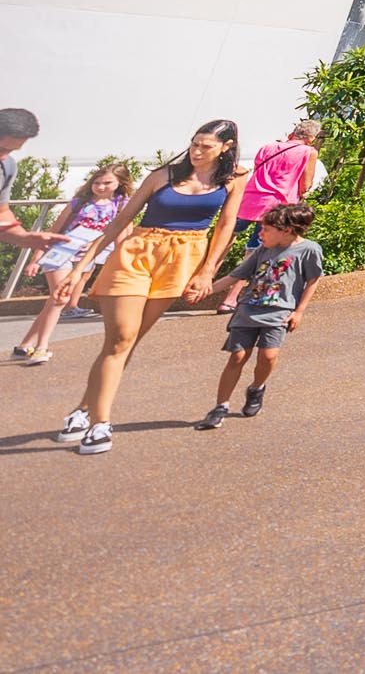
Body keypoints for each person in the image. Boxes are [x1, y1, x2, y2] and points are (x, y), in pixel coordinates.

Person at [52, 121, 245, 457]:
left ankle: (82, 410)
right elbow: (119, 221)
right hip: (139, 253)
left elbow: (225, 228)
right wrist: (79, 269)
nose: (196, 152)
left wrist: (206, 273)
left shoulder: (235, 179)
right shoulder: (163, 175)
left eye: (206, 146)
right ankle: (100, 424)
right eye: (194, 144)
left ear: (226, 147)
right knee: (121, 337)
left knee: (129, 342)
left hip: (183, 258)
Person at [193, 200, 321, 429]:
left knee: (268, 356)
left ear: (286, 231)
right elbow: (236, 276)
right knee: (237, 356)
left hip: (279, 312)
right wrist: (205, 290)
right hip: (248, 310)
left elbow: (313, 280)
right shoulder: (263, 250)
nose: (260, 234)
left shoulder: (308, 250)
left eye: (266, 230)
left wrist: (299, 312)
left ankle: (256, 388)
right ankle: (219, 407)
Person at [13, 164, 127, 364]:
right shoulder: (79, 203)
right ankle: (41, 347)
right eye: (97, 183)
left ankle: (24, 345)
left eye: (107, 183)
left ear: (119, 183)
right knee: (60, 298)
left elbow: (121, 236)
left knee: (55, 301)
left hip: (86, 256)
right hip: (62, 252)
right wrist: (36, 259)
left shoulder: (121, 204)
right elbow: (54, 230)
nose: (100, 187)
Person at [223, 120, 320, 307]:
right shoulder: (309, 152)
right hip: (276, 205)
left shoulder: (268, 147)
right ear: (312, 138)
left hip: (249, 199)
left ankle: (201, 280)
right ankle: (231, 298)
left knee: (224, 239)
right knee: (257, 251)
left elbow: (259, 168)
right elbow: (305, 184)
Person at [0, 108, 68, 259]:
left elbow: (2, 214)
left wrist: (22, 238)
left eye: (11, 151)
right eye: (2, 149)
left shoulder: (7, 167)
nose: (4, 157)